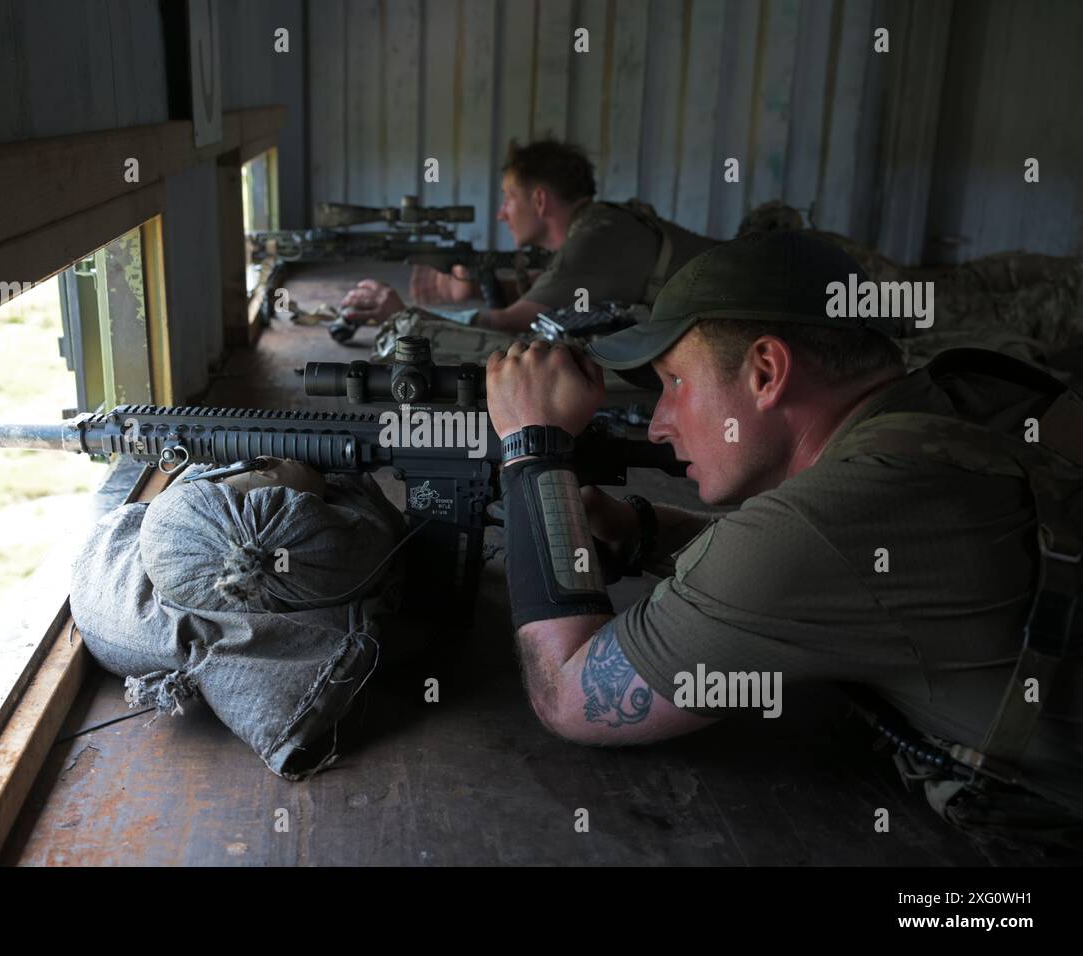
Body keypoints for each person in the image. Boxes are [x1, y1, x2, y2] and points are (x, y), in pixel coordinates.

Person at [485, 229, 1083, 847]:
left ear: (767, 372)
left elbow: (569, 692)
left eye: (674, 382)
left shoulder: (835, 523)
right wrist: (646, 534)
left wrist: (531, 446)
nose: (660, 424)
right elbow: (839, 566)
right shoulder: (965, 399)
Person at [340, 139, 716, 334]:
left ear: (539, 200)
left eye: (508, 198)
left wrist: (403, 315)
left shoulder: (592, 245)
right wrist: (471, 290)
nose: (501, 212)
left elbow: (510, 325)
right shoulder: (601, 226)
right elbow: (554, 290)